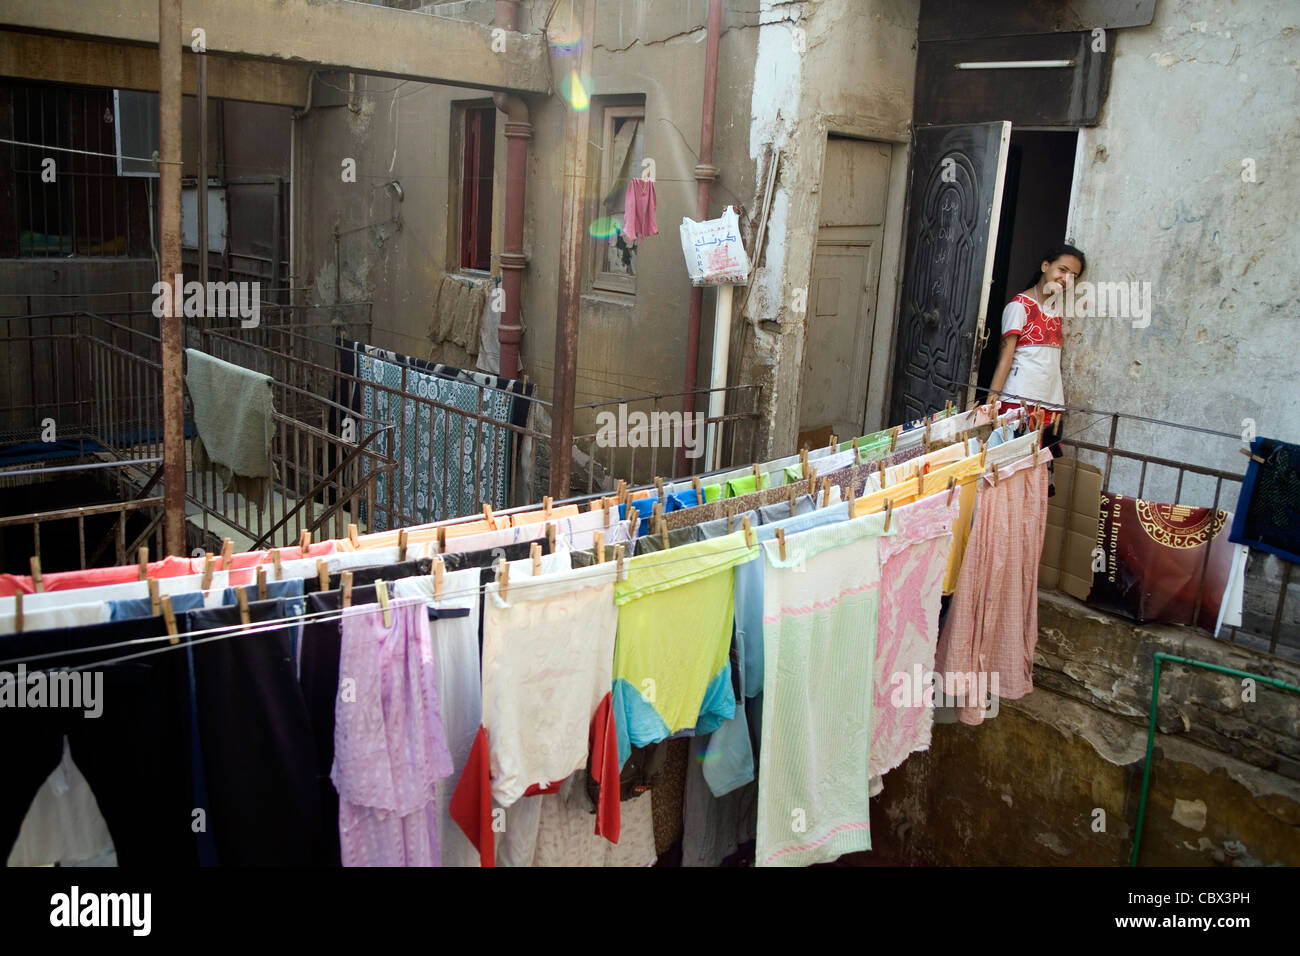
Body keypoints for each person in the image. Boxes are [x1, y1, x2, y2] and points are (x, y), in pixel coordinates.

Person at [987, 243, 1086, 449]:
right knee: (1011, 460)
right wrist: (992, 400)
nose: (1066, 279)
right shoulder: (1019, 306)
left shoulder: (1055, 310)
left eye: (1073, 276)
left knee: (1039, 462)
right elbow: (1005, 357)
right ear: (1045, 266)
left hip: (1050, 401)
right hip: (1020, 399)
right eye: (1062, 270)